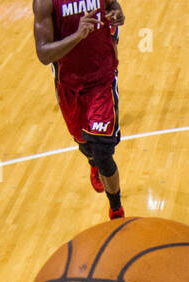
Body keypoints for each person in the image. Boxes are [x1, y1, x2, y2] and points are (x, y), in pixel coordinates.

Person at [33, 0, 126, 220]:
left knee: (103, 151)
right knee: (85, 143)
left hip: (102, 79)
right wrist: (77, 36)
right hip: (70, 86)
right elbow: (44, 54)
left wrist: (117, 16)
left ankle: (116, 209)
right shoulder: (45, 3)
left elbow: (114, 6)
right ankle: (91, 161)